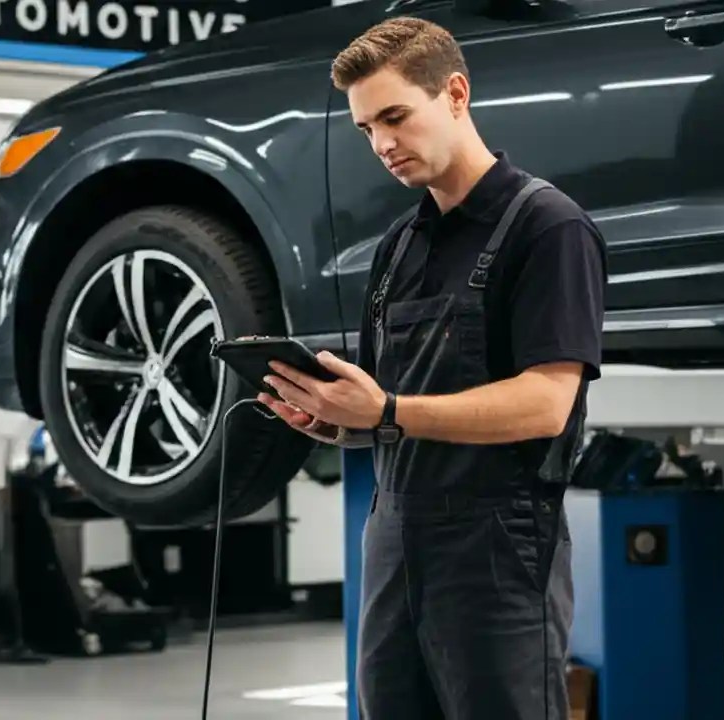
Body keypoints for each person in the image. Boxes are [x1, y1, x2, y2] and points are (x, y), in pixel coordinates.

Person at [256, 16, 607, 720]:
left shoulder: (548, 227)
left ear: (453, 93)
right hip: (393, 538)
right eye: (366, 129)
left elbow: (546, 404)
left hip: (497, 548)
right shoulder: (398, 246)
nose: (382, 144)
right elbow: (390, 408)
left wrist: (386, 411)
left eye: (395, 117)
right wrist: (337, 422)